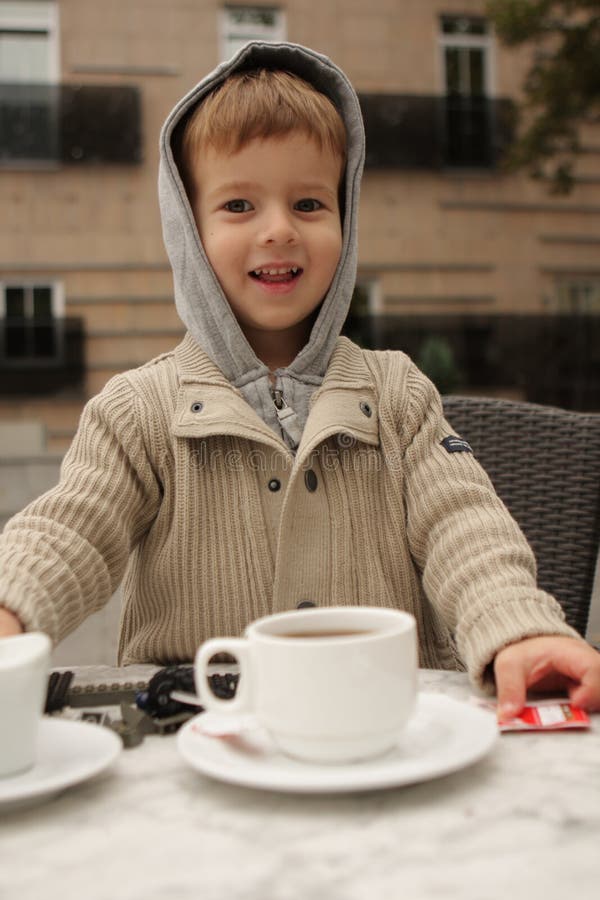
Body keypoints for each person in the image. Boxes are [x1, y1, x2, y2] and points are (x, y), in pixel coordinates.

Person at [0, 42, 598, 720]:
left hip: (385, 727)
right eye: (239, 206)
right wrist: (10, 605)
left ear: (345, 219)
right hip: (196, 734)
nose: (279, 230)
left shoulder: (397, 393)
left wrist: (522, 627)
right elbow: (71, 530)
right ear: (188, 232)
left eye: (310, 202)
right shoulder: (136, 411)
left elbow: (465, 527)